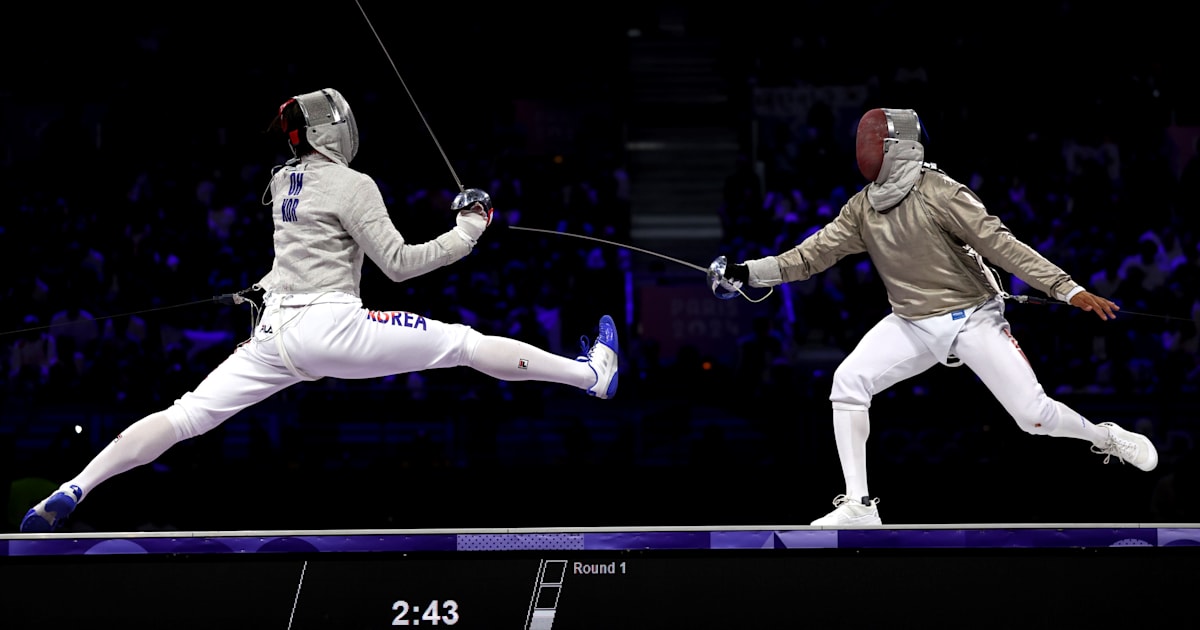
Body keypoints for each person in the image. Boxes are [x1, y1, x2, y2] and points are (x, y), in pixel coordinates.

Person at [21, 88, 620, 532]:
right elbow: (399, 264)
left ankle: (78, 484)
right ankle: (592, 376)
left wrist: (260, 286)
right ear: (337, 130)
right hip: (331, 326)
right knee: (462, 343)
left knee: (185, 417)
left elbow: (296, 254)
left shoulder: (283, 182)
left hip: (274, 333)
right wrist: (466, 232)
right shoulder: (354, 184)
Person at [712, 107, 1157, 526]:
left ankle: (1104, 436)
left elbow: (1000, 243)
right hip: (910, 321)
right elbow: (810, 255)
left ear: (898, 147)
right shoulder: (862, 208)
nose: (863, 151)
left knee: (1033, 417)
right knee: (848, 382)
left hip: (971, 318)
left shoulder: (941, 192)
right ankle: (859, 504)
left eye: (873, 141)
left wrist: (1067, 287)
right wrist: (748, 273)